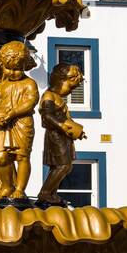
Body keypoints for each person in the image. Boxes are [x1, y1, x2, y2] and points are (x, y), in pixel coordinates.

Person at [0, 40, 39, 200]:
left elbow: (30, 102)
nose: (12, 72)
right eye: (8, 68)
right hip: (4, 126)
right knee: (1, 157)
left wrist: (12, 113)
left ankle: (20, 189)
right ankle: (6, 187)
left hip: (21, 123)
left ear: (25, 65)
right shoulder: (2, 86)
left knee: (21, 157)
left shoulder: (29, 83)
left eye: (17, 69)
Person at [38, 62, 86, 202]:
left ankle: (51, 194)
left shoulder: (57, 98)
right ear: (60, 80)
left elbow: (65, 118)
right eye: (70, 87)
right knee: (63, 165)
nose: (70, 92)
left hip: (63, 135)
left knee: (64, 166)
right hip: (56, 135)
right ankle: (45, 193)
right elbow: (47, 116)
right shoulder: (49, 96)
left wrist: (77, 131)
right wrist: (62, 126)